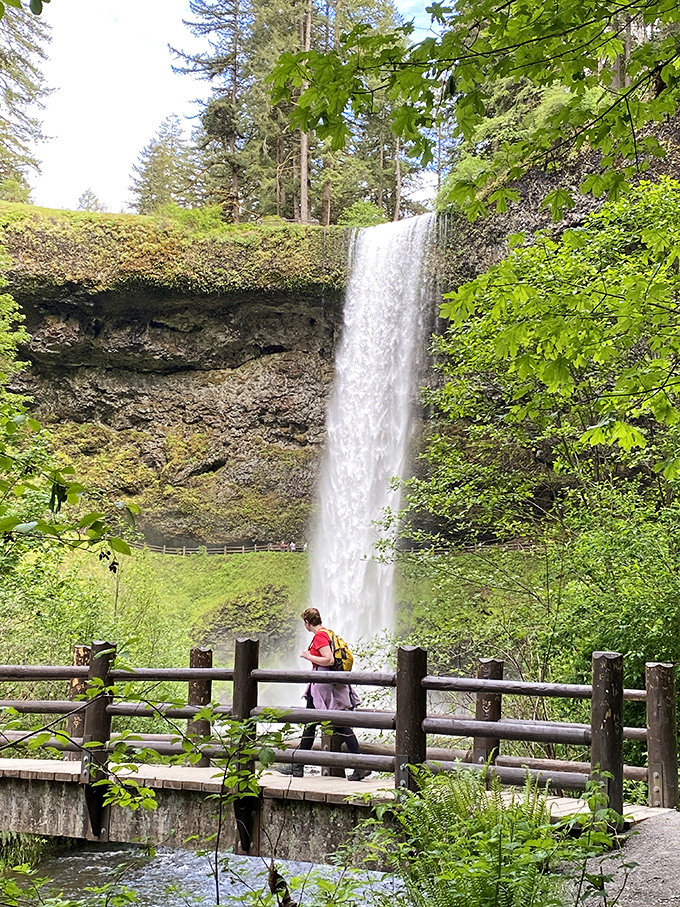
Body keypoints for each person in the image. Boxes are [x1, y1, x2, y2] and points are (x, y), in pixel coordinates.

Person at [279, 607, 370, 781]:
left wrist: (307, 656)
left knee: (334, 724)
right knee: (312, 724)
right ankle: (298, 765)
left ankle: (361, 765)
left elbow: (328, 660)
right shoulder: (328, 633)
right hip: (323, 686)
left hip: (324, 687)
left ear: (307, 623)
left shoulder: (320, 636)